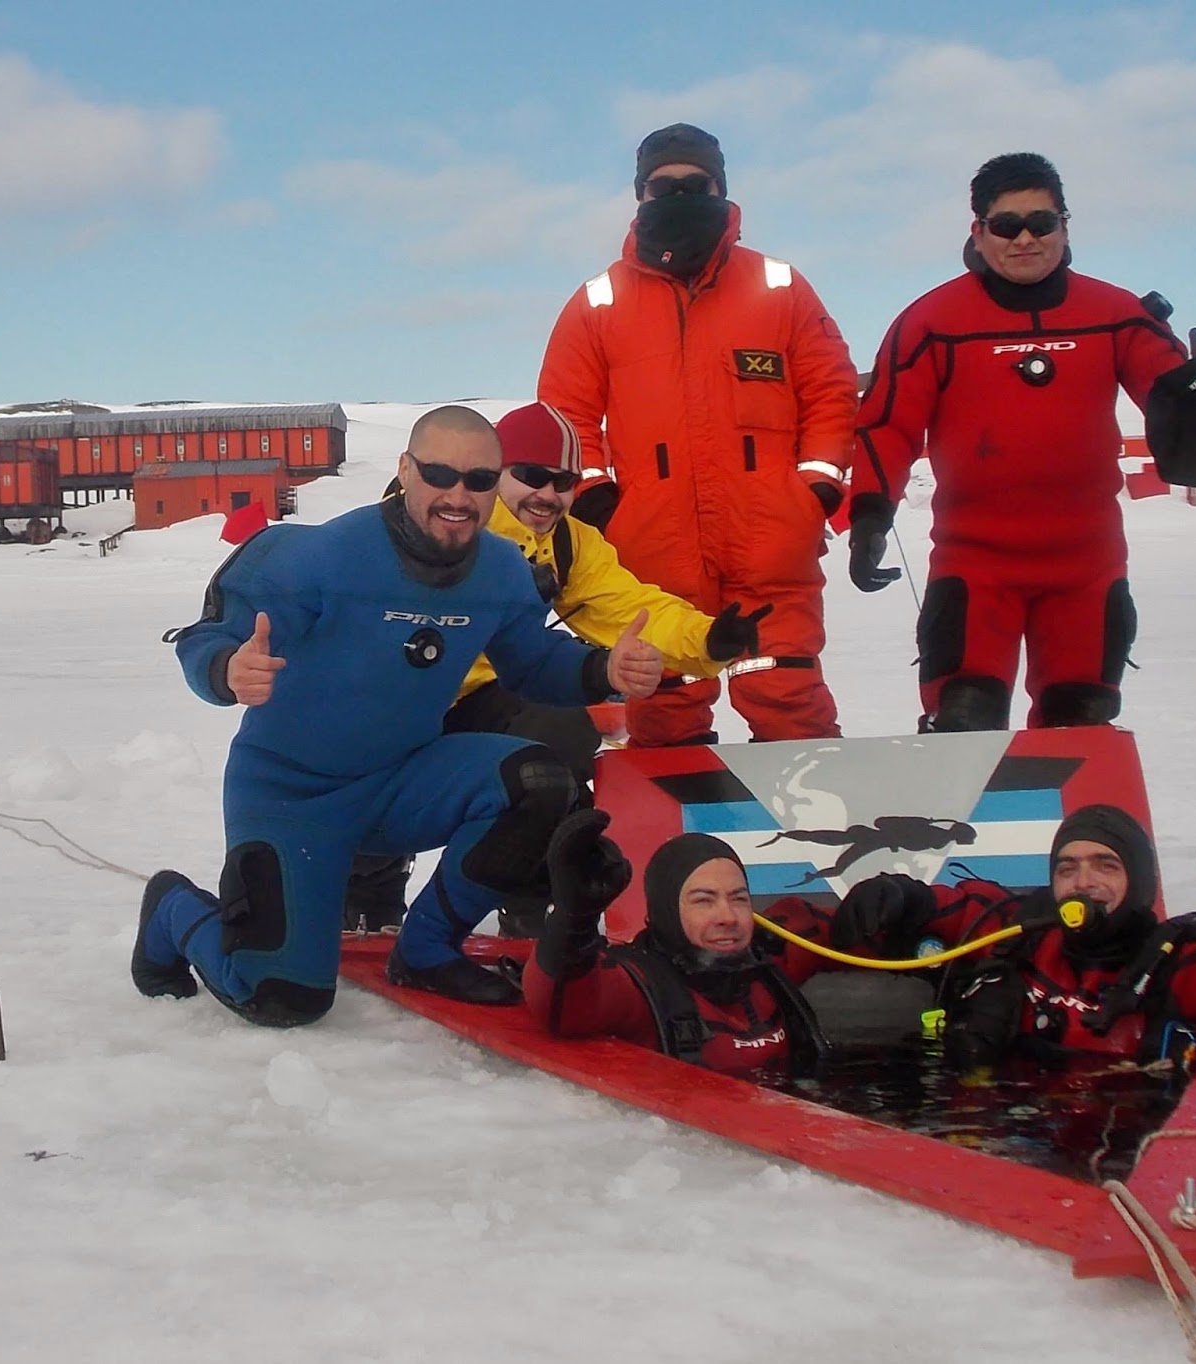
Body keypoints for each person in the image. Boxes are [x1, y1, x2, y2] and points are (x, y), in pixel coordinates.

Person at [131, 405, 664, 1024]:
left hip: (400, 781)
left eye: (479, 480)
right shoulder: (317, 556)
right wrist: (228, 669)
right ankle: (172, 908)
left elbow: (532, 664)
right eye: (439, 474)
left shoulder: (499, 570)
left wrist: (605, 671)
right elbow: (205, 638)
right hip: (291, 798)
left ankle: (428, 949)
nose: (458, 495)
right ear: (405, 469)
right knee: (283, 998)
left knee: (538, 781)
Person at [344, 400, 773, 937]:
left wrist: (708, 638)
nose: (547, 494)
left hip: (480, 701)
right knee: (366, 751)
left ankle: (528, 898)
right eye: (530, 476)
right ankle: (365, 883)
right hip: (387, 703)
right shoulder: (431, 523)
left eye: (563, 481)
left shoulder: (568, 544)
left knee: (559, 728)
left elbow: (632, 611)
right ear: (493, 472)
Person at [848, 152, 1196, 733]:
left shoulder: (1115, 313)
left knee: (1079, 720)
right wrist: (869, 514)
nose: (1025, 238)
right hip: (975, 567)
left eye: (1043, 222)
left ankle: (1078, 828)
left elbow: (1170, 392)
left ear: (1065, 226)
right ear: (978, 232)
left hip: (1086, 567)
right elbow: (887, 425)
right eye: (1007, 225)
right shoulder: (931, 321)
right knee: (965, 721)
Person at [538, 123, 859, 746]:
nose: (681, 196)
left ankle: (816, 829)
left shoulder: (780, 287)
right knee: (665, 703)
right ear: (640, 196)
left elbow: (831, 390)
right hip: (652, 546)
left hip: (771, 537)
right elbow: (565, 415)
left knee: (787, 694)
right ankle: (672, 840)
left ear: (722, 188)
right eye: (664, 187)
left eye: (696, 184)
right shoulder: (598, 302)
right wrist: (597, 496)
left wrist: (815, 484)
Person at [828, 790, 1196, 1072]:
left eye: (1106, 866)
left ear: (1139, 881)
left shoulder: (1176, 960)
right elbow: (951, 907)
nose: (1083, 884)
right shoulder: (1019, 928)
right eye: (1067, 868)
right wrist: (898, 894)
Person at [522, 810, 847, 1074]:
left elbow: (840, 930)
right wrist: (574, 920)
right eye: (704, 901)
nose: (728, 917)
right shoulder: (641, 987)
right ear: (667, 912)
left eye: (738, 899)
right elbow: (561, 1005)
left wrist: (881, 907)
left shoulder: (770, 959)